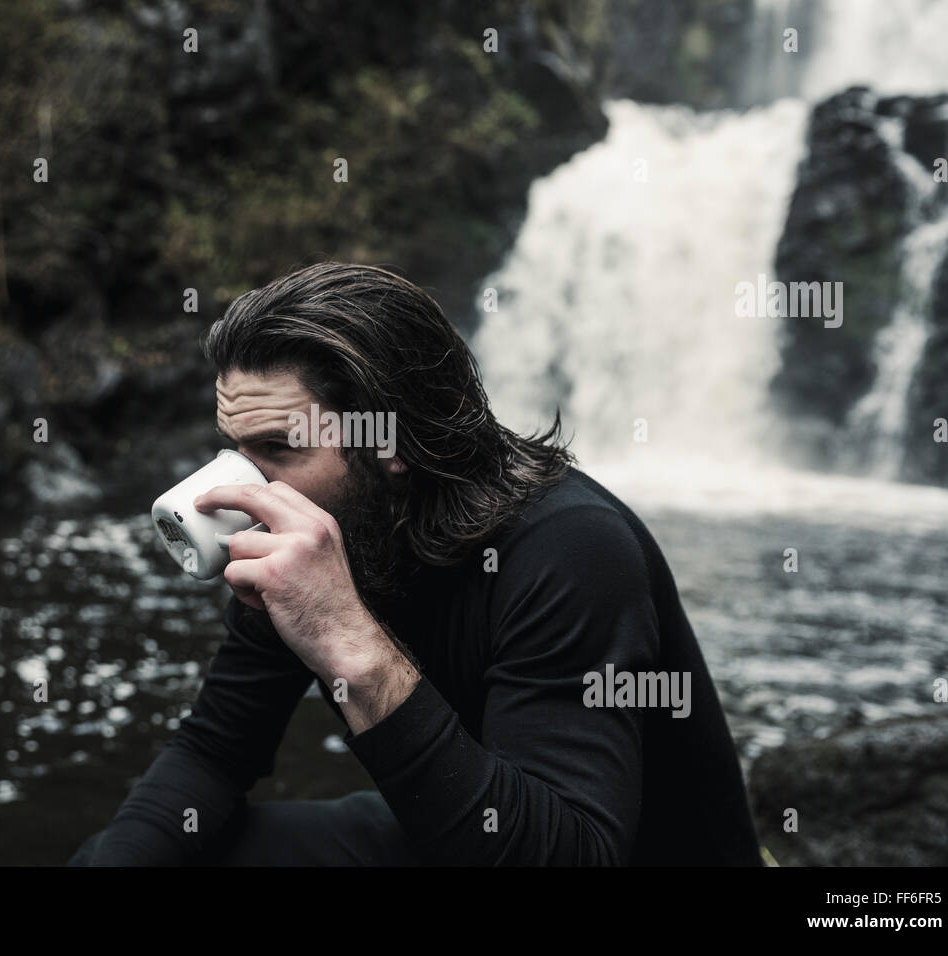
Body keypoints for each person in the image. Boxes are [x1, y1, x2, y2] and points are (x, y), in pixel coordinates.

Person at [69, 261, 763, 866]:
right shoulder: (310, 521)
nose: (241, 487)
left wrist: (349, 644)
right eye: (233, 447)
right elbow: (214, 752)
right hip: (448, 831)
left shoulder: (572, 548)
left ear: (391, 441)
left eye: (279, 447)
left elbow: (569, 851)